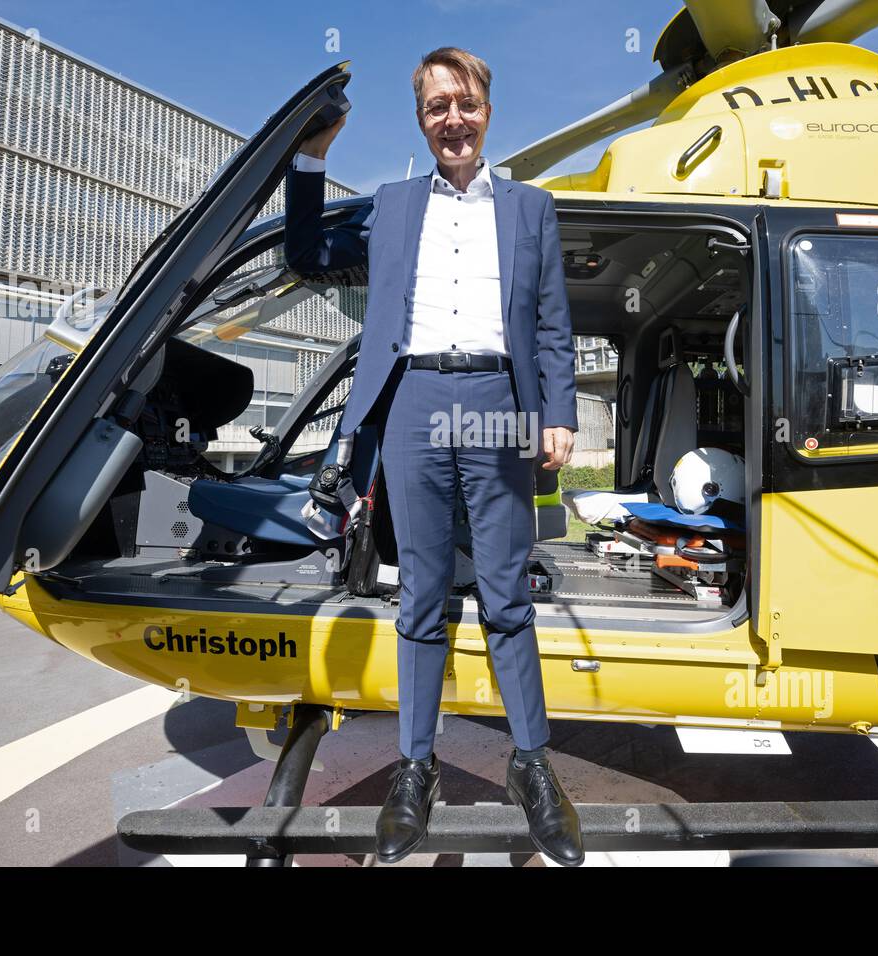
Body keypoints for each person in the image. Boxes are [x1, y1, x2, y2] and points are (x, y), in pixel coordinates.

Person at [284, 47, 584, 866]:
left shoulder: (532, 209)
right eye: (435, 108)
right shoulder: (392, 205)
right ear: (421, 120)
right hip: (413, 401)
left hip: (495, 404)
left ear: (487, 107)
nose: (452, 120)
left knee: (505, 595)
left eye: (464, 103)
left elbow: (553, 325)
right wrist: (312, 157)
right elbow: (306, 255)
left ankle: (532, 767)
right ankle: (415, 770)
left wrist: (558, 413)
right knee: (419, 599)